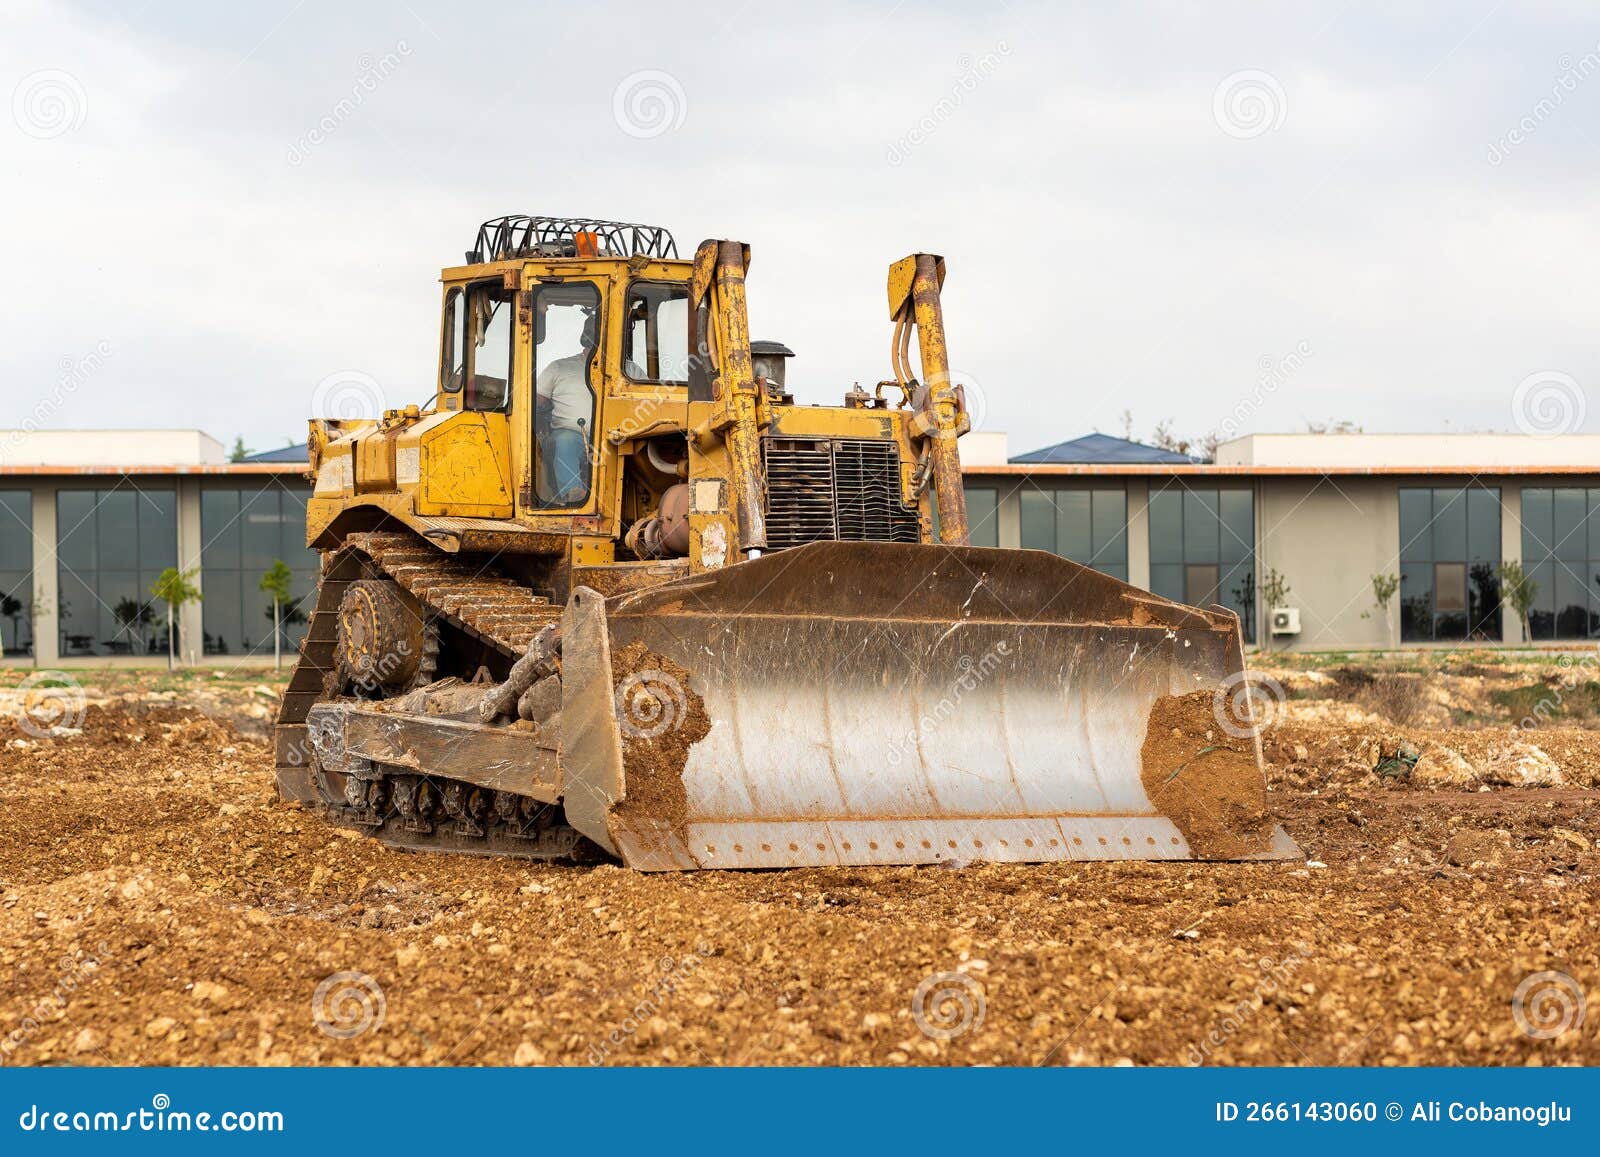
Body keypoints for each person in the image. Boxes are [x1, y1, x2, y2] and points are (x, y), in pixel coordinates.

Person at [535, 314, 598, 503]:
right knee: (564, 442)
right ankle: (574, 494)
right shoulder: (559, 368)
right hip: (572, 434)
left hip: (620, 435)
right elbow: (536, 401)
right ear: (585, 336)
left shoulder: (631, 370)